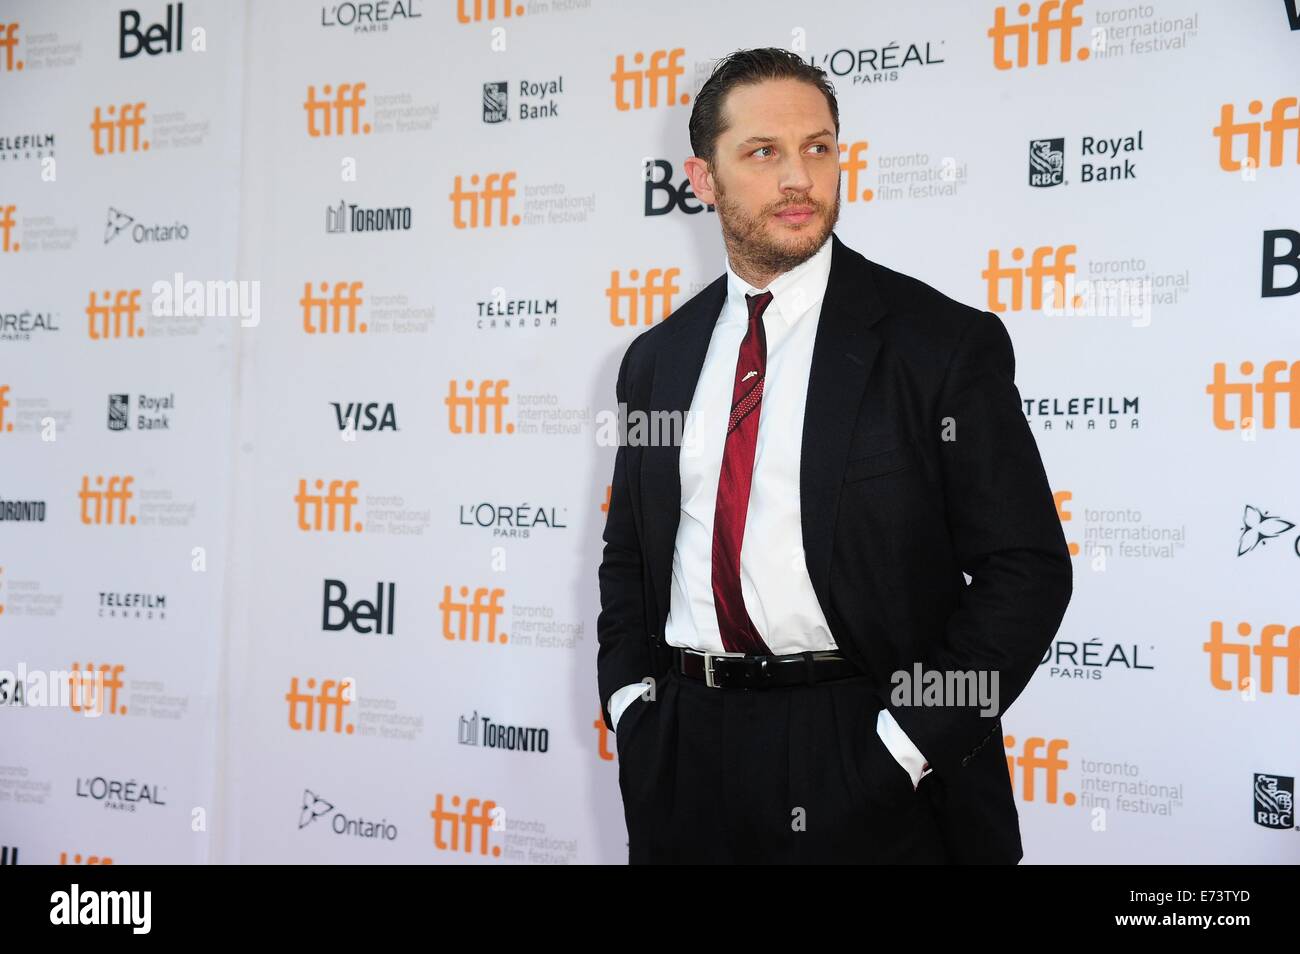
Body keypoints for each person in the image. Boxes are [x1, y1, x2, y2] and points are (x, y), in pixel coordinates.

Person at [596, 47, 1072, 864]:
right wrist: (632, 703)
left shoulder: (940, 345)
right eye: (763, 153)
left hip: (863, 749)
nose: (799, 179)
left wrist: (907, 744)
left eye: (818, 148)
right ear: (701, 179)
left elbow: (1026, 570)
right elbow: (631, 550)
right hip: (683, 755)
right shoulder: (656, 360)